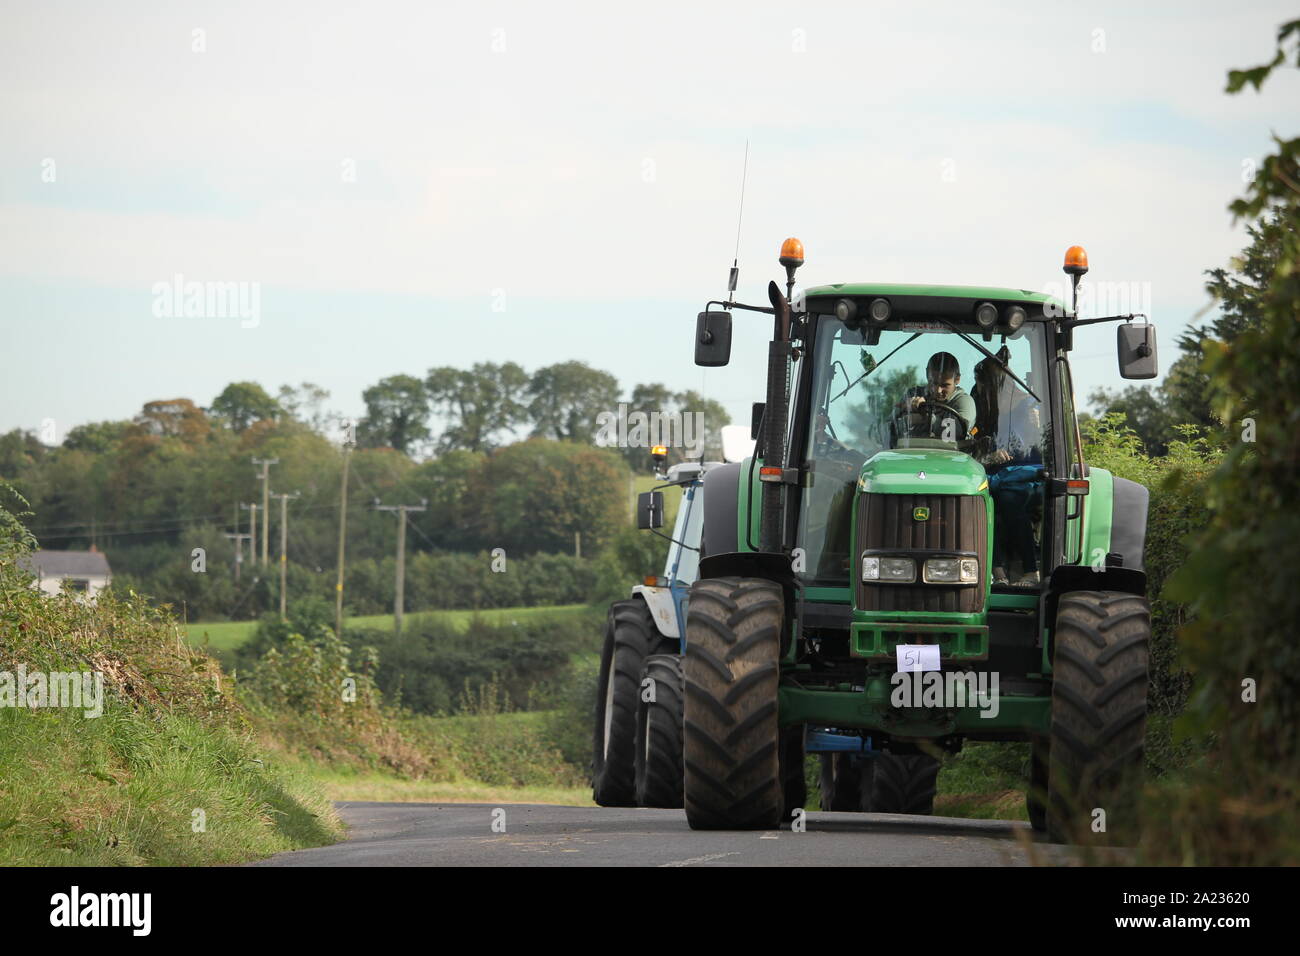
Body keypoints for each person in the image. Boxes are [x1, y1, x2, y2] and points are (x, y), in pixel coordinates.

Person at [972, 351, 1043, 587]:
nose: (979, 392)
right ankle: (996, 572)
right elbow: (979, 448)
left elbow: (1040, 448)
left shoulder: (1029, 408)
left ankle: (1031, 570)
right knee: (982, 495)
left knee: (1010, 497)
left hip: (1030, 474)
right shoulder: (987, 412)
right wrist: (989, 457)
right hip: (1001, 475)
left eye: (981, 386)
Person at [893, 352, 976, 442]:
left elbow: (957, 432)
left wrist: (925, 418)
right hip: (911, 453)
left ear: (957, 379)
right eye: (934, 383)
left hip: (949, 455)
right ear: (927, 374)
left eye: (945, 385)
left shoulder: (964, 402)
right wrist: (906, 413)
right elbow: (889, 426)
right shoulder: (913, 394)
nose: (938, 390)